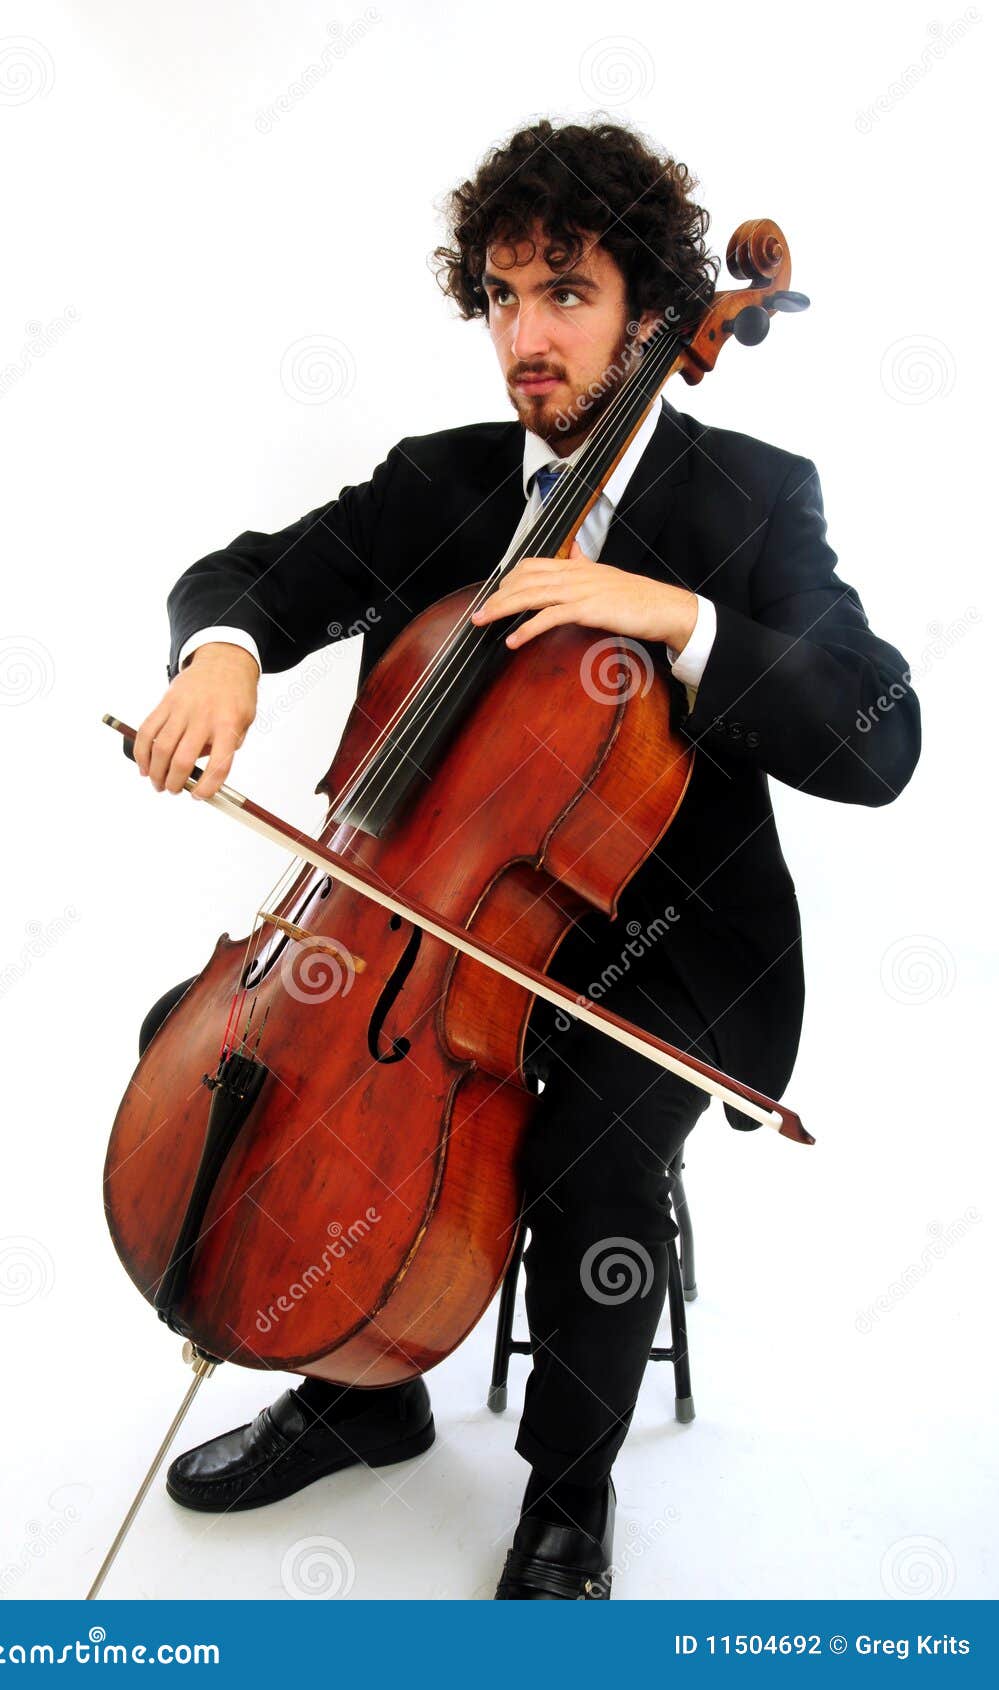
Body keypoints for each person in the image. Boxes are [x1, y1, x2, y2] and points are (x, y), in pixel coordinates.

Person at [131, 118, 921, 1599]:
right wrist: (224, 649)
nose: (526, 338)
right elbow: (246, 578)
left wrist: (674, 617)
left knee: (593, 1156)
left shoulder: (754, 497)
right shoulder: (437, 484)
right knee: (219, 1049)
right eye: (502, 297)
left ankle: (566, 1501)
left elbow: (879, 738)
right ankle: (361, 1393)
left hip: (668, 949)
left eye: (566, 292)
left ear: (650, 309)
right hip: (423, 934)